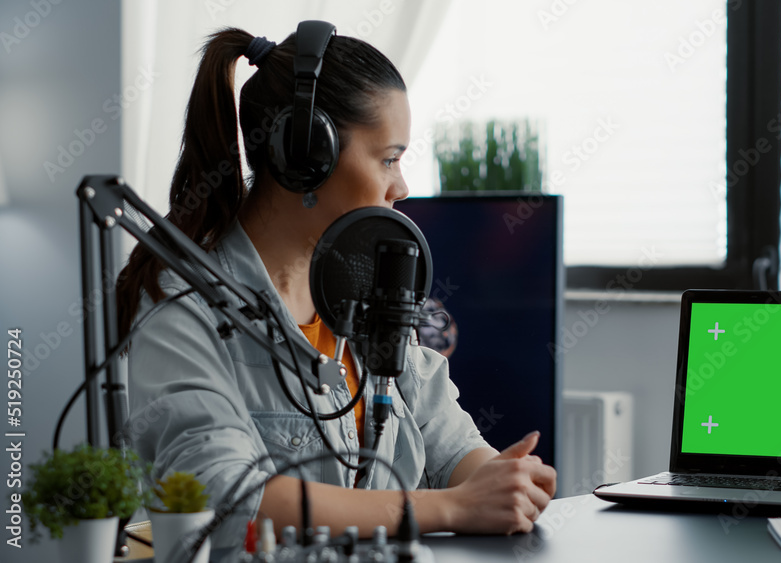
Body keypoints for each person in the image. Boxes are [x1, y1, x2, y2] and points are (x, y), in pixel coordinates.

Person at [116, 24, 556, 552]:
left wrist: (499, 481)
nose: (402, 186)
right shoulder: (184, 307)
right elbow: (227, 498)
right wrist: (451, 507)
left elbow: (448, 442)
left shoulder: (365, 286)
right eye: (389, 158)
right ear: (305, 158)